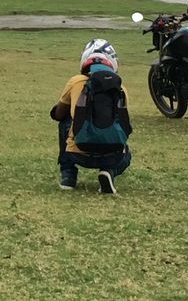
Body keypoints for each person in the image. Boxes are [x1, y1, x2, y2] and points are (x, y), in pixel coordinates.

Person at [50, 39, 132, 194]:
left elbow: (59, 114)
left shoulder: (75, 81)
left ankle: (68, 174)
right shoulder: (120, 88)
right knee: (125, 151)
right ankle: (109, 172)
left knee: (65, 120)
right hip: (112, 156)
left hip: (77, 153)